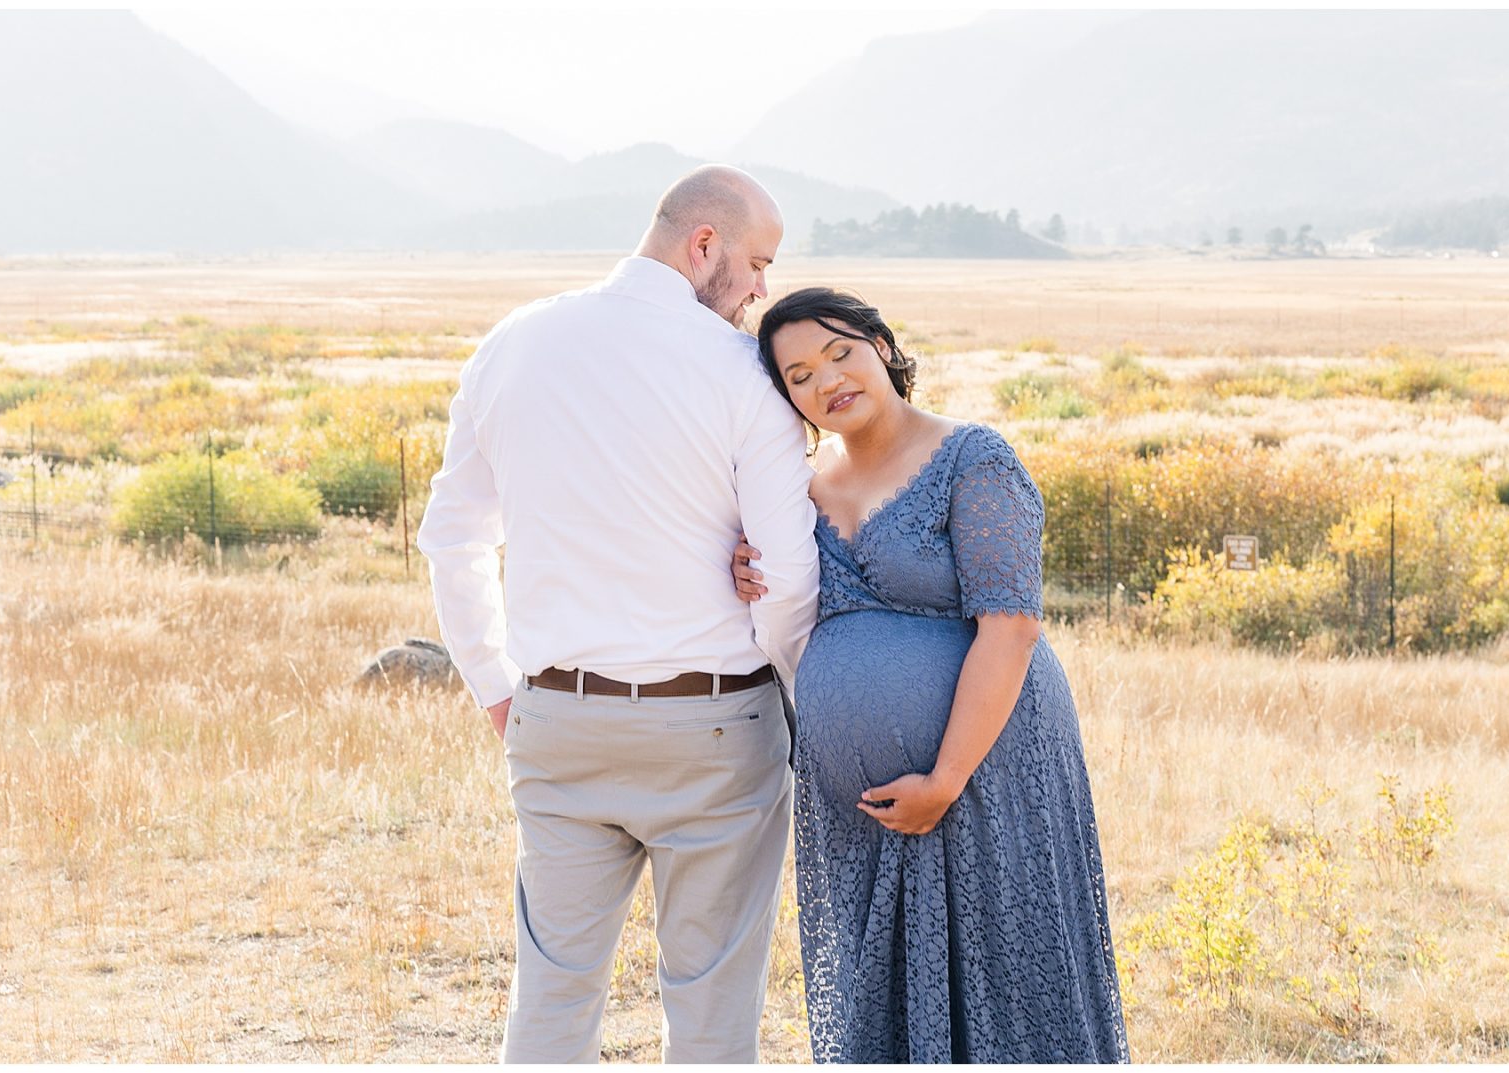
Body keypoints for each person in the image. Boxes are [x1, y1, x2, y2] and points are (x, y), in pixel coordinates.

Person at [416, 166, 820, 1063]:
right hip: (718, 730)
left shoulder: (513, 342)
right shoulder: (743, 374)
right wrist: (793, 698)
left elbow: (451, 539)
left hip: (557, 719)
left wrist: (497, 688)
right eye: (758, 264)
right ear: (704, 245)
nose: (762, 290)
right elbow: (789, 576)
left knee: (550, 1002)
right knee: (713, 1015)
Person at [732, 288, 1128, 1063]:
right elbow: (789, 601)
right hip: (859, 812)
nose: (827, 380)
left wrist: (945, 778)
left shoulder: (972, 458)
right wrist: (751, 566)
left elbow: (1011, 628)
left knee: (1006, 970)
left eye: (840, 352)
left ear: (881, 346)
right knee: (884, 985)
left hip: (984, 770)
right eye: (800, 375)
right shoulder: (801, 490)